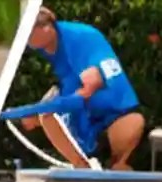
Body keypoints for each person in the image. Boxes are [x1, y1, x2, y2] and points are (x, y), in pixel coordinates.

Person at [20, 6, 145, 170]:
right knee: (46, 114)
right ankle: (81, 165)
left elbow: (93, 81)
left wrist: (50, 107)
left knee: (48, 114)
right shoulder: (51, 45)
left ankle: (93, 165)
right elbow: (72, 84)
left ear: (46, 28)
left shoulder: (79, 39)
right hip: (89, 107)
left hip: (113, 108)